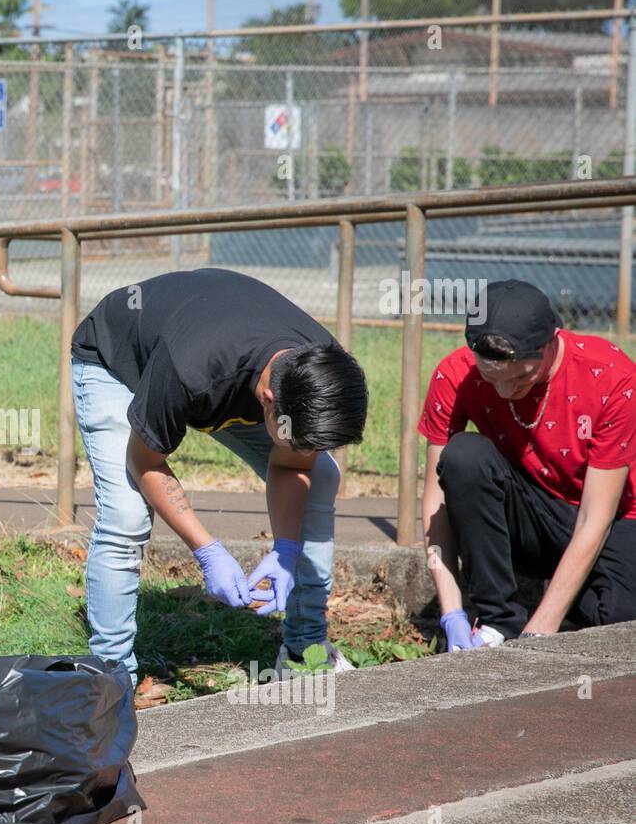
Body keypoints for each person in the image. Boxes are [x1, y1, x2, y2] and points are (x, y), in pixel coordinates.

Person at [69, 268, 369, 681]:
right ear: (268, 400)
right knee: (125, 514)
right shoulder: (190, 369)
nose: (305, 451)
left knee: (322, 475)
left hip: (217, 350)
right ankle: (110, 678)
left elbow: (292, 464)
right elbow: (146, 463)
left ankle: (304, 651)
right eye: (296, 440)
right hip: (117, 360)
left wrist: (286, 549)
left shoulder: (319, 370)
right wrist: (207, 551)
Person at [420, 279, 636, 649]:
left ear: (550, 342)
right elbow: (435, 502)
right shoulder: (454, 375)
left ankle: (560, 587)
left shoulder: (613, 377)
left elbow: (594, 518)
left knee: (616, 624)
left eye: (520, 377)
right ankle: (497, 618)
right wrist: (451, 611)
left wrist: (538, 635)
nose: (504, 391)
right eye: (492, 378)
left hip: (608, 515)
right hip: (529, 511)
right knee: (464, 456)